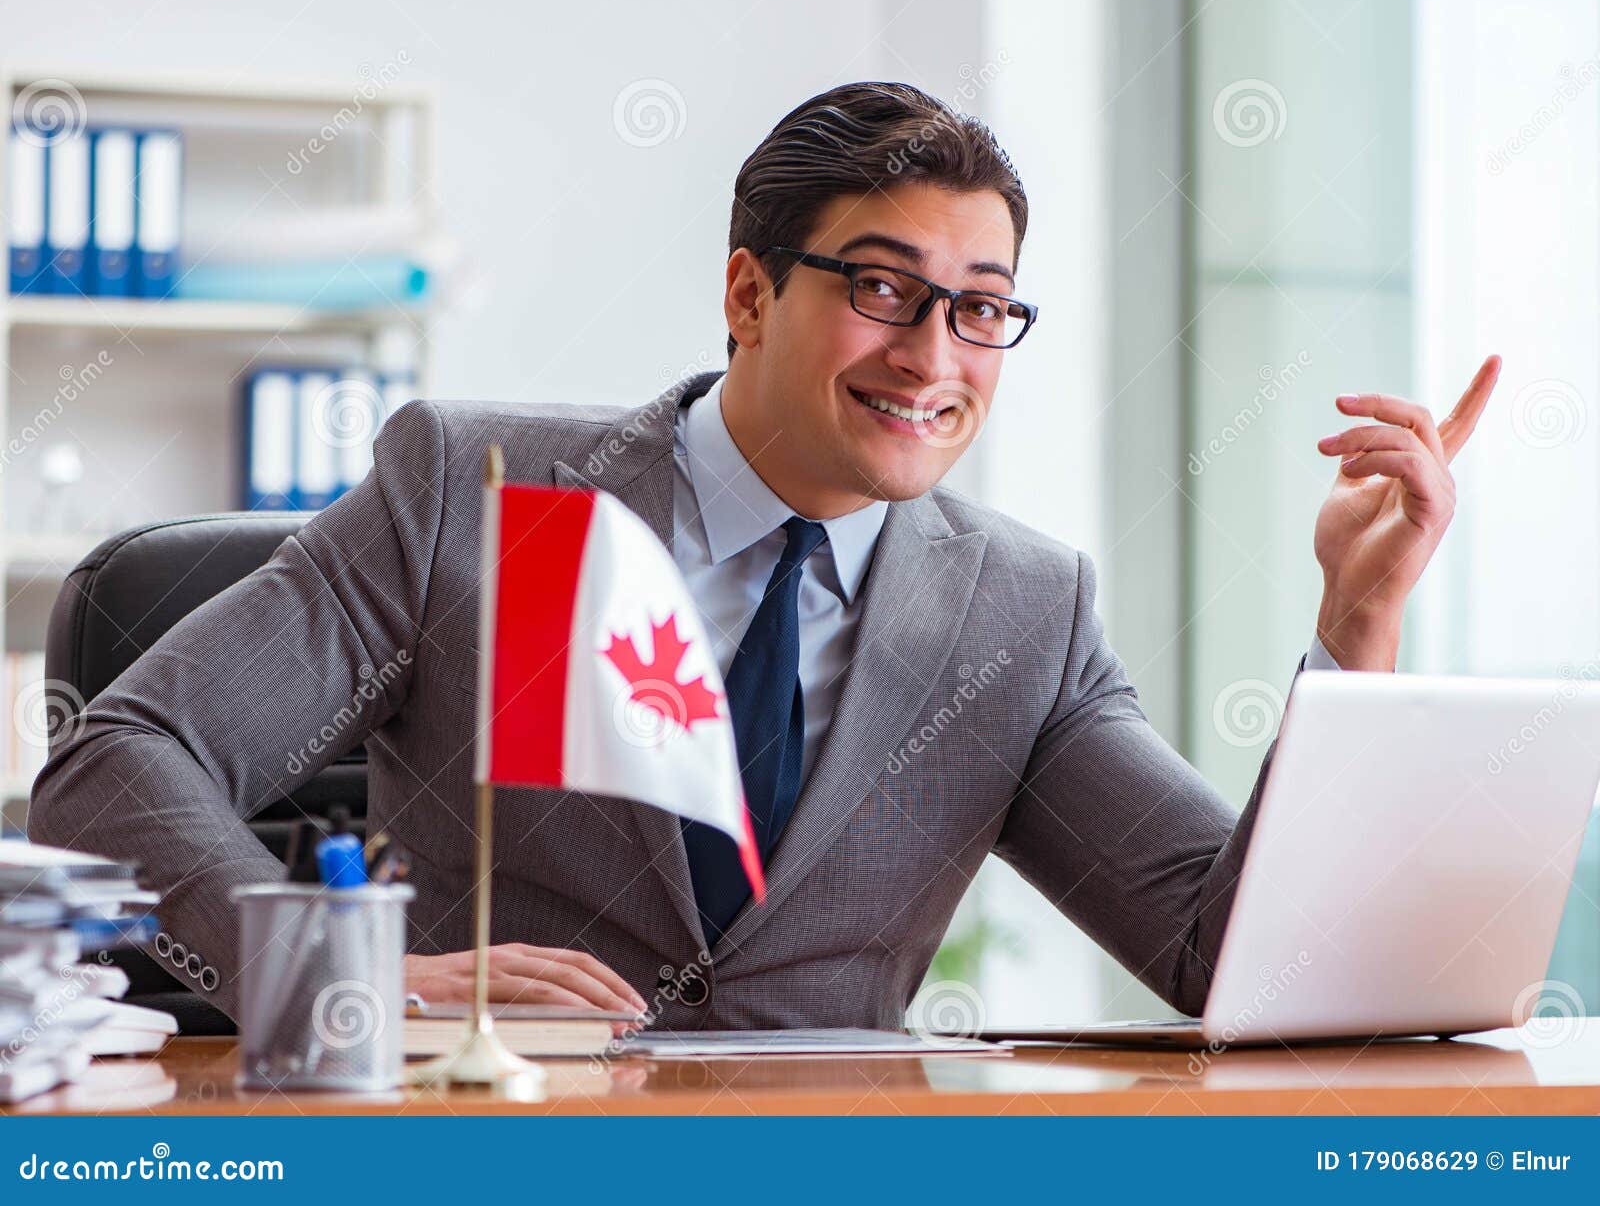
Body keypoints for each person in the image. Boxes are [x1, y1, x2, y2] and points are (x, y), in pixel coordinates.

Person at [28, 82, 1499, 1029]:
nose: (934, 356)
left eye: (981, 308)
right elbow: (121, 755)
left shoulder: (1021, 609)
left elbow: (1221, 950)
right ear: (747, 290)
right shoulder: (482, 493)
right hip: (498, 1153)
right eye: (881, 288)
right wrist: (347, 979)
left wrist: (1357, 628)